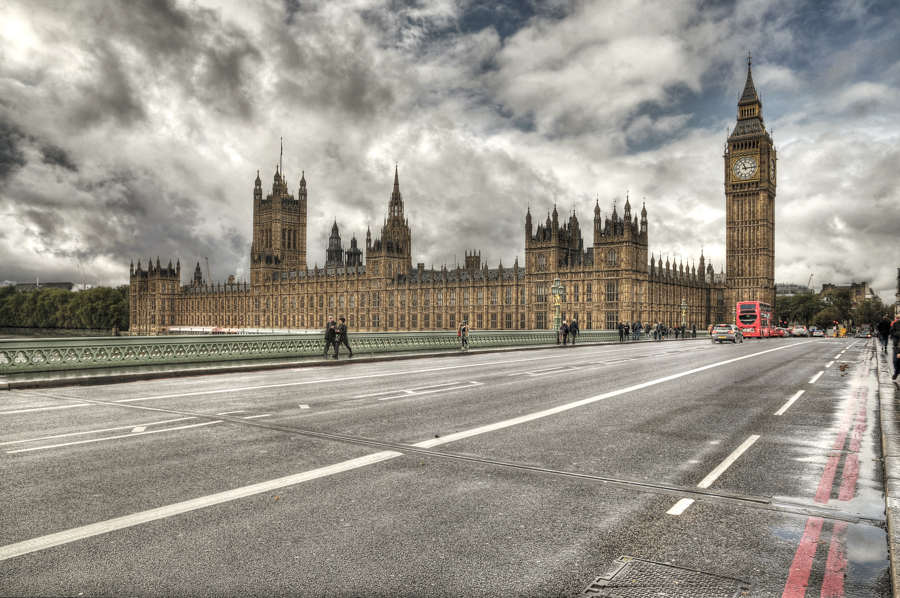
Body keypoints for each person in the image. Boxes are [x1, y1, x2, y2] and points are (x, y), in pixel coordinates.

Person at [891, 316, 900, 381]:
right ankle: (896, 372)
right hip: (897, 345)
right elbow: (891, 332)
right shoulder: (896, 324)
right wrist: (898, 333)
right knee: (895, 361)